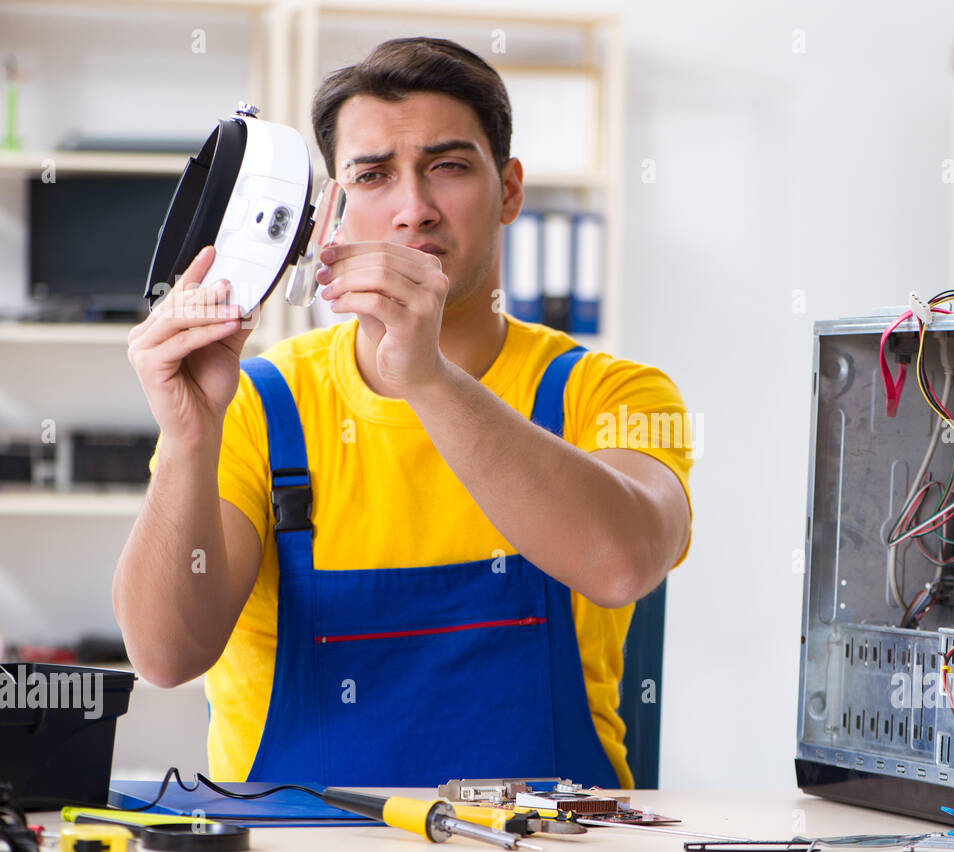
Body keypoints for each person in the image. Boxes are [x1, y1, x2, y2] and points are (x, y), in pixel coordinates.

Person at [113, 37, 692, 789]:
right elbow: (165, 657)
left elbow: (623, 565)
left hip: (550, 841)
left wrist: (428, 379)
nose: (414, 210)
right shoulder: (253, 405)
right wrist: (189, 437)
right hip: (303, 842)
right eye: (373, 175)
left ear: (510, 190)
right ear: (332, 213)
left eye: (448, 167)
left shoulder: (614, 393)